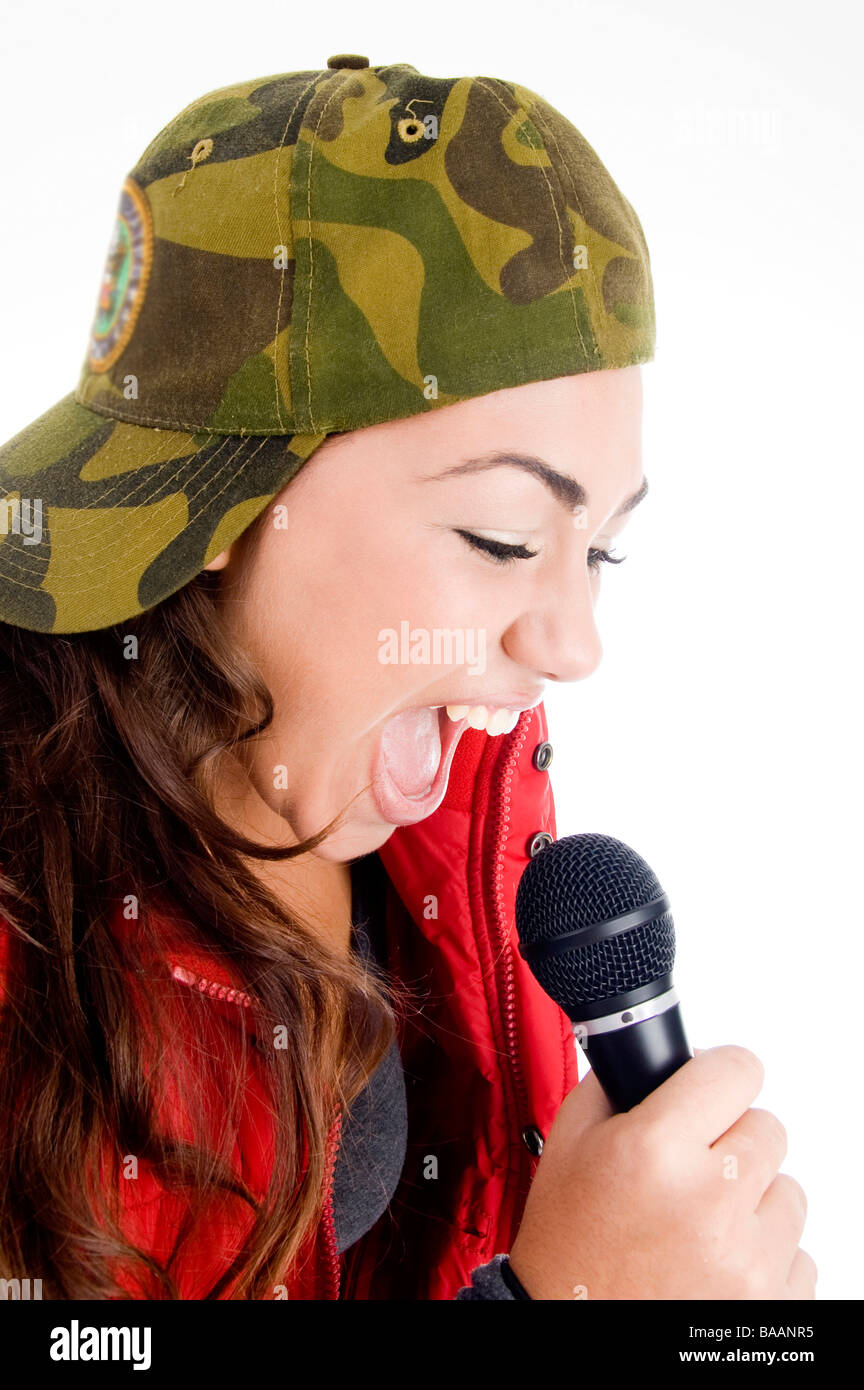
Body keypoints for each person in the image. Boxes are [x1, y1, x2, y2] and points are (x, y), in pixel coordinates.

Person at [0, 55, 814, 1300]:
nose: (576, 643)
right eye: (501, 537)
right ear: (219, 507)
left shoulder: (462, 815)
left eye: (599, 548)